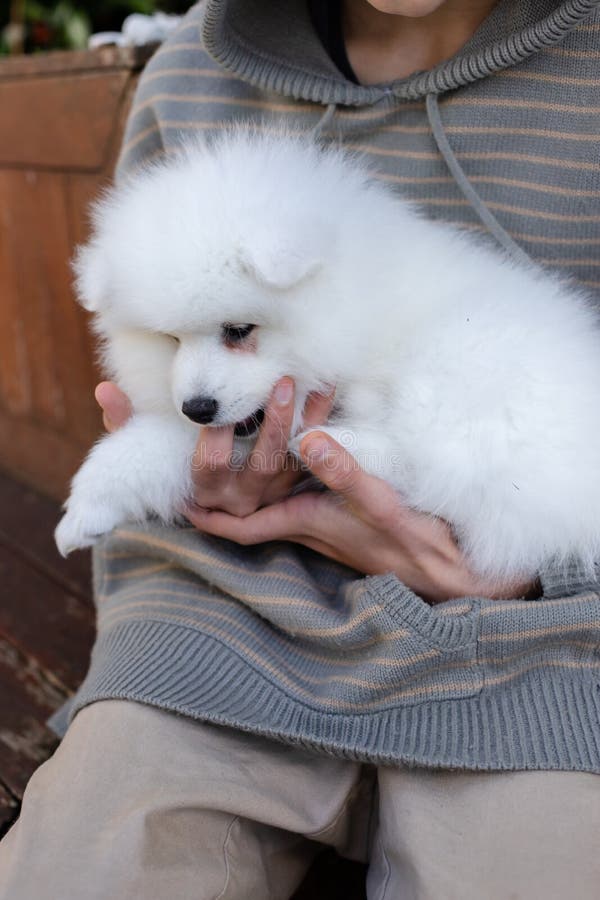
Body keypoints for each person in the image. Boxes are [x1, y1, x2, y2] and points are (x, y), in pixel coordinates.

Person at [1, 1, 600, 897]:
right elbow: (154, 388)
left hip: (536, 652)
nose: (199, 381)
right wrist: (198, 496)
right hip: (222, 629)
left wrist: (528, 576)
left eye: (237, 331)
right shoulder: (193, 80)